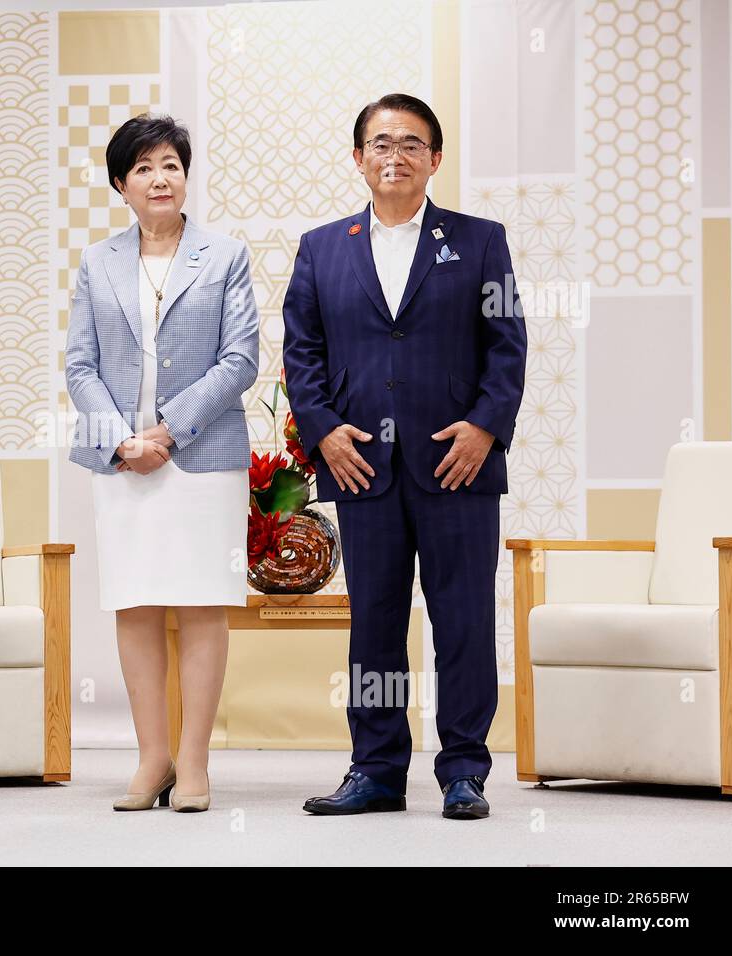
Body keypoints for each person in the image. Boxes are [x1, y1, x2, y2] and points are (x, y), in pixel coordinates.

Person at [283, 93, 526, 820]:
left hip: (459, 464)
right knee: (376, 625)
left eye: (411, 144)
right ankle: (377, 770)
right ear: (358, 158)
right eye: (380, 143)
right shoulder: (323, 247)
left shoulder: (480, 241)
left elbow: (507, 346)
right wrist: (324, 431)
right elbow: (303, 352)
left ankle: (463, 772)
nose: (395, 155)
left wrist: (484, 428)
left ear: (435, 159)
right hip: (362, 465)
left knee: (463, 621)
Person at [65, 113, 259, 813]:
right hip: (121, 462)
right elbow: (79, 365)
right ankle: (152, 760)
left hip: (202, 458)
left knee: (204, 605)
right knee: (136, 604)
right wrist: (123, 441)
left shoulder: (225, 255)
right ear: (122, 183)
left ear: (185, 174)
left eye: (171, 164)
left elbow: (241, 360)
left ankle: (197, 763)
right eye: (144, 167)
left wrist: (167, 434)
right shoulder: (98, 261)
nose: (160, 177)